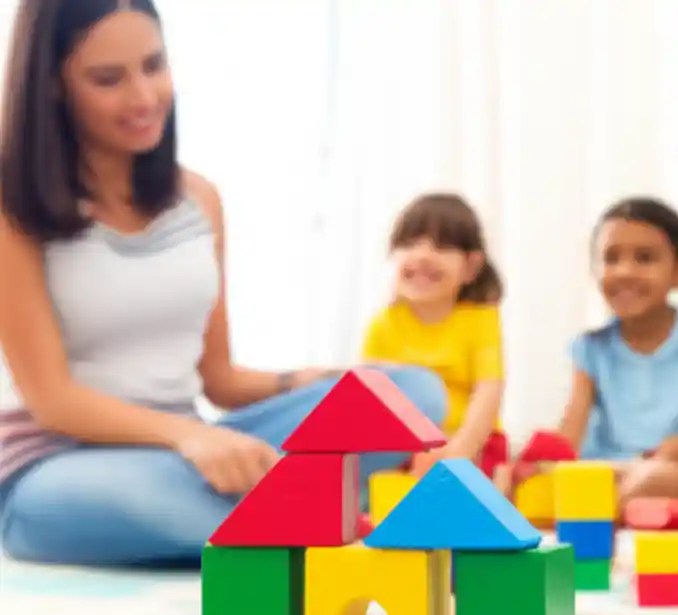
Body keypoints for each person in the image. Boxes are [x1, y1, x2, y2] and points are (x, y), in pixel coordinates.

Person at [0, 0, 446, 567]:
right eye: (109, 79)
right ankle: (308, 516)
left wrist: (297, 380)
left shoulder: (199, 201)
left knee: (407, 395)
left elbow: (218, 380)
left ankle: (283, 519)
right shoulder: (13, 210)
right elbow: (52, 401)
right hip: (55, 470)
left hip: (187, 451)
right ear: (54, 88)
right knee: (164, 495)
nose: (144, 97)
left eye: (153, 66)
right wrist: (189, 438)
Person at [556, 197, 678, 506]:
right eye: (611, 258)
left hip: (676, 476)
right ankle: (603, 514)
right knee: (538, 479)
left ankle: (602, 517)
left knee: (658, 481)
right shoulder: (590, 349)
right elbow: (567, 439)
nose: (625, 271)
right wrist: (536, 464)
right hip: (612, 471)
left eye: (645, 258)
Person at [362, 193, 507, 478]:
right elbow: (371, 403)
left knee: (480, 483)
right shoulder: (383, 324)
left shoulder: (480, 319)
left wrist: (462, 449)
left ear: (471, 267)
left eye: (442, 246)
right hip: (404, 450)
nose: (423, 255)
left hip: (471, 442)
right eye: (409, 244)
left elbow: (488, 390)